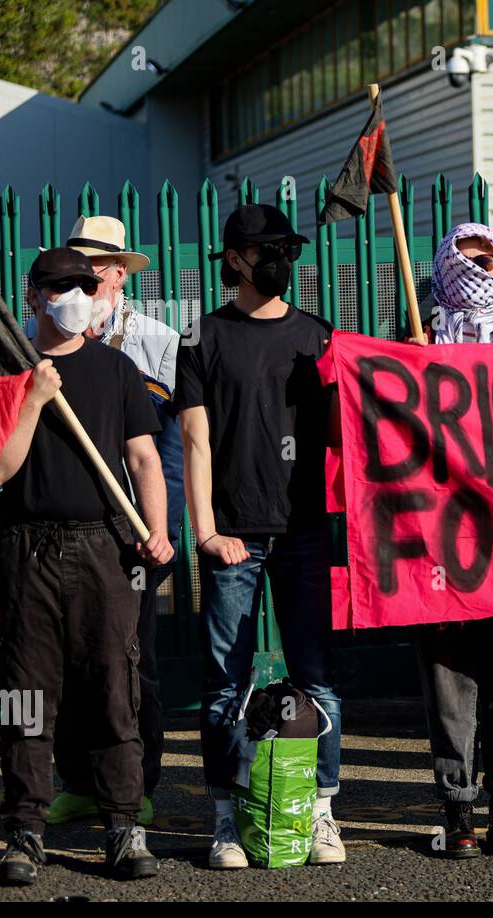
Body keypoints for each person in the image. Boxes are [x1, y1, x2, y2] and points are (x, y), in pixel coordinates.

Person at [0, 246, 173, 884]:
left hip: (104, 546)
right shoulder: (4, 371)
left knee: (114, 688)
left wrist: (159, 530)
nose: (72, 295)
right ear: (32, 296)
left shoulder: (116, 371)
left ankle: (123, 826)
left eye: (84, 285)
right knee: (26, 696)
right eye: (58, 285)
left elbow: (144, 458)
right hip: (24, 547)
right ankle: (24, 834)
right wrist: (33, 399)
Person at [176, 203, 344, 869]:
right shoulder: (201, 337)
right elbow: (194, 438)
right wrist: (207, 531)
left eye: (286, 247)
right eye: (266, 249)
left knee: (318, 680)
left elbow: (352, 424)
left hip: (305, 532)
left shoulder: (320, 336)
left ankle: (324, 812)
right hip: (233, 539)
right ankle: (225, 820)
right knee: (226, 683)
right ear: (235, 257)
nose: (280, 260)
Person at [31, 216, 184, 829]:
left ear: (121, 273)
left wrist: (157, 524)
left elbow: (169, 446)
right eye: (79, 265)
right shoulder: (36, 339)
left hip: (129, 532)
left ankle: (135, 782)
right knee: (65, 660)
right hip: (63, 527)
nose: (88, 277)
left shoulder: (161, 340)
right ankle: (77, 780)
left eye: (100, 265)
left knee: (131, 659)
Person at [412, 222, 493, 857]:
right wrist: (410, 368)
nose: (480, 271)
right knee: (450, 670)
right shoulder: (418, 340)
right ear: (443, 267)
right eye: (466, 260)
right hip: (442, 531)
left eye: (489, 258)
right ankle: (458, 805)